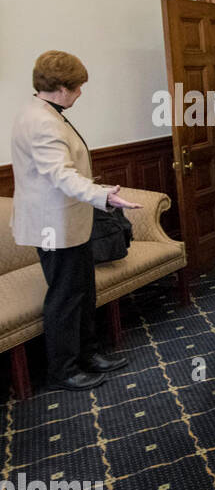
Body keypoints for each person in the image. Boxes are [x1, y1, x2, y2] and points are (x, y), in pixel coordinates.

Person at [10, 51, 140, 391]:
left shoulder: (49, 112)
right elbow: (61, 175)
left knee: (83, 289)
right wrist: (105, 196)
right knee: (65, 296)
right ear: (61, 88)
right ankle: (65, 368)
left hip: (69, 222)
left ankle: (88, 354)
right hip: (53, 225)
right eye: (78, 87)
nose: (81, 93)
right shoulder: (41, 120)